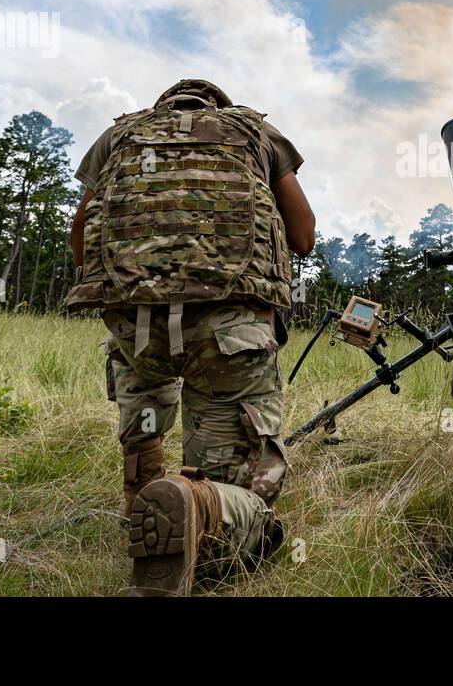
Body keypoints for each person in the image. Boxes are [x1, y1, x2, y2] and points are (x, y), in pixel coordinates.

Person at [66, 78, 315, 595]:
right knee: (240, 486)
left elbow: (83, 228)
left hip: (136, 325)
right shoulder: (256, 132)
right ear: (218, 104)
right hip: (231, 327)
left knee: (145, 418)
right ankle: (202, 506)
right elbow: (304, 236)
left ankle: (144, 508)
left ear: (163, 103)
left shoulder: (119, 136)